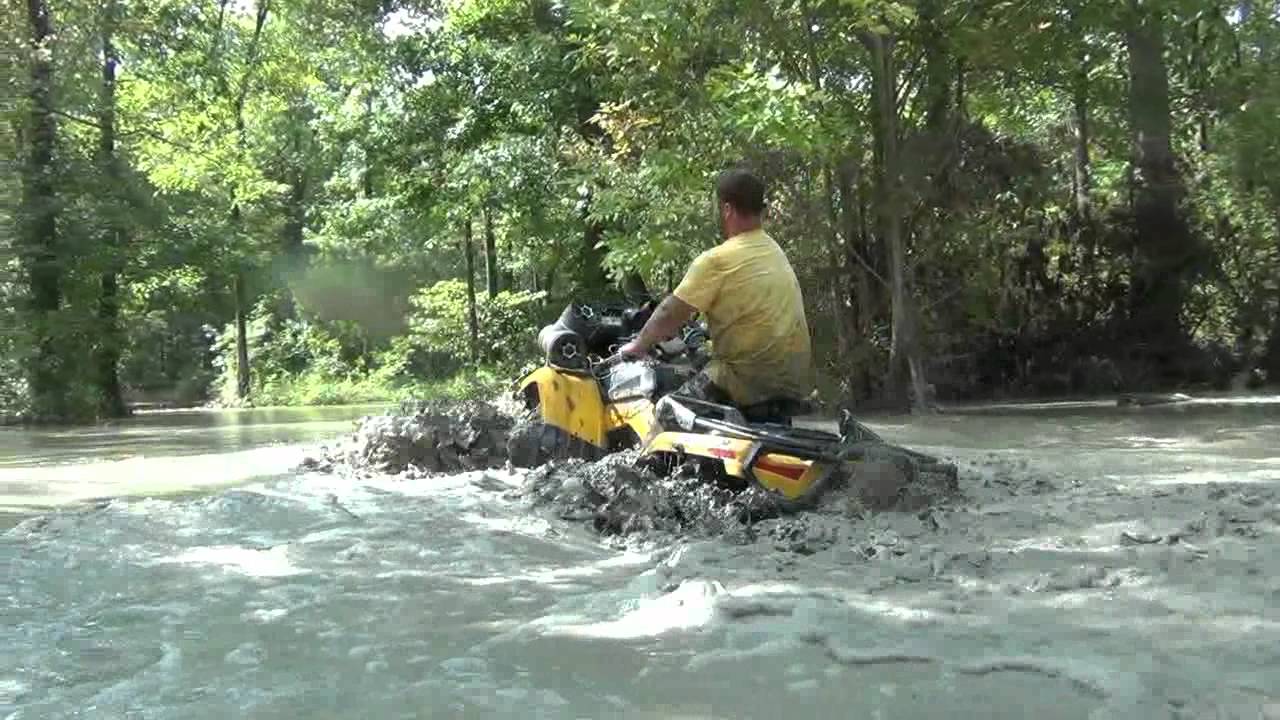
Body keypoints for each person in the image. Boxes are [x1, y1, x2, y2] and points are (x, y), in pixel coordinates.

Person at [618, 168, 814, 408]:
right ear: (761, 210)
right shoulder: (773, 250)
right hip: (792, 381)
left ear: (727, 209)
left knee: (665, 410)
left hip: (742, 381)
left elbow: (670, 313)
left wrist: (638, 346)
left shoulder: (718, 260)